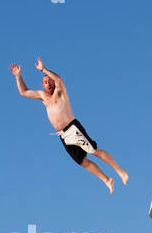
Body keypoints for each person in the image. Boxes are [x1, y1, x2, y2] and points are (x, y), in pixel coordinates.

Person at [10, 57, 128, 193]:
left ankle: (120, 171)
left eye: (49, 81)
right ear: (42, 85)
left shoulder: (59, 91)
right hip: (63, 136)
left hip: (73, 128)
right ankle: (107, 179)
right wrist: (18, 76)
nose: (47, 84)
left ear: (53, 82)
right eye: (45, 82)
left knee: (94, 151)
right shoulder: (42, 96)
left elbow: (59, 80)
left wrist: (44, 69)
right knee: (82, 161)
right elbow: (24, 92)